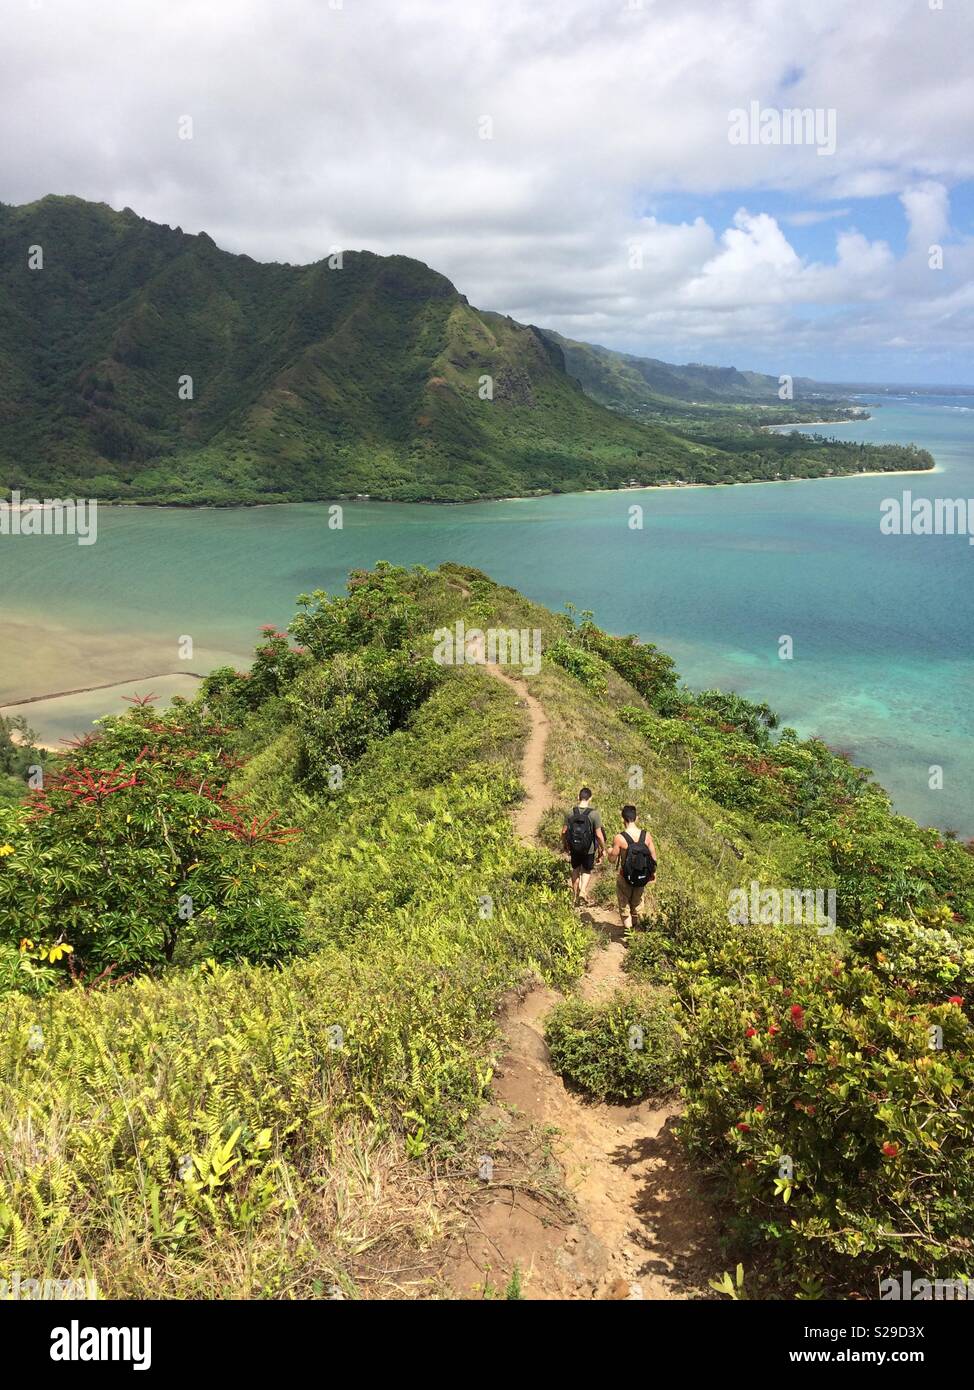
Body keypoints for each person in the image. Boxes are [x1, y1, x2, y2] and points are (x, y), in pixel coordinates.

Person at [607, 804, 657, 931]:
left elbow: (612, 860)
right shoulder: (646, 836)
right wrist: (652, 874)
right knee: (637, 904)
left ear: (622, 819)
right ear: (637, 818)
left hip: (625, 877)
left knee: (625, 907)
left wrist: (609, 851)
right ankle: (636, 929)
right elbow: (653, 857)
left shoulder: (620, 838)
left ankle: (629, 936)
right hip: (642, 877)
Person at [561, 786, 605, 907]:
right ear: (590, 798)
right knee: (586, 870)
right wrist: (603, 849)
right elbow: (599, 835)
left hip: (574, 847)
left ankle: (575, 897)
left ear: (578, 797)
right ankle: (583, 891)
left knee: (575, 869)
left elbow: (564, 831)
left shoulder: (570, 812)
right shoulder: (594, 814)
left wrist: (565, 844)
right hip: (589, 848)